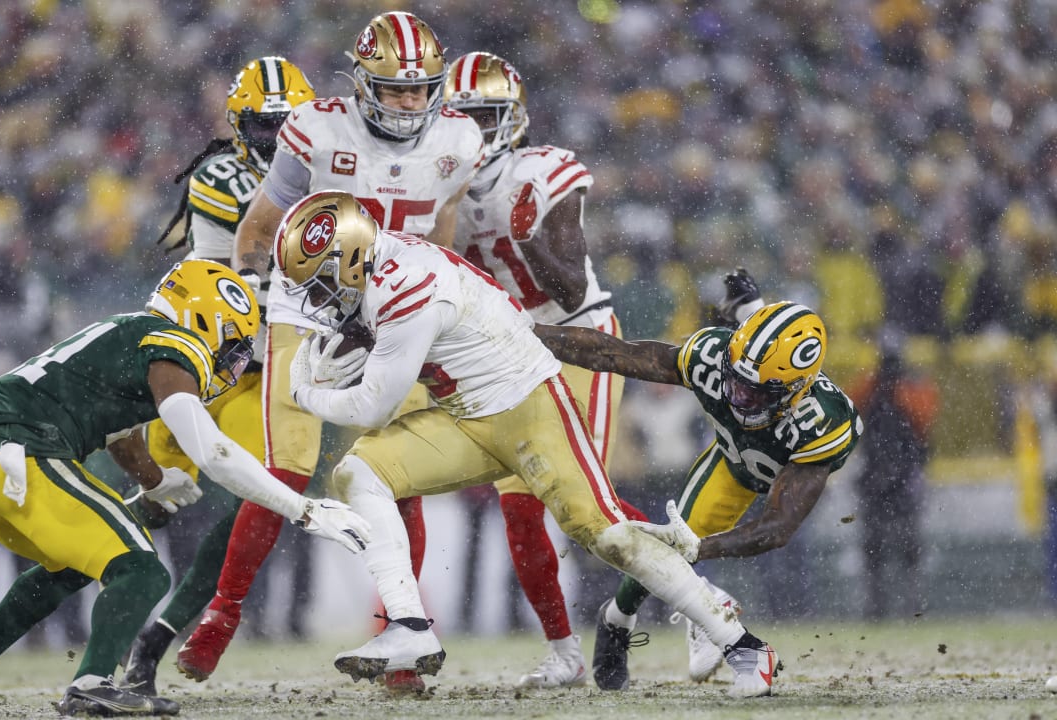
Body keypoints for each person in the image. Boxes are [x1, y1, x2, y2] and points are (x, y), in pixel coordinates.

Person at [275, 189, 780, 699]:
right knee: (360, 472)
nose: (318, 300)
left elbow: (373, 408)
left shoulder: (404, 287)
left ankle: (743, 646)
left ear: (353, 258)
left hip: (529, 406)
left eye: (320, 284)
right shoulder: (381, 267)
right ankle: (408, 626)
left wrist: (305, 393)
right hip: (466, 415)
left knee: (607, 536)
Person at [177, 11, 483, 694]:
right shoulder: (317, 129)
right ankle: (222, 617)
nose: (409, 102)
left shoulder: (460, 139)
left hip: (396, 315)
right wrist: (277, 289)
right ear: (363, 82)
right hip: (309, 312)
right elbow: (256, 234)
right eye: (394, 89)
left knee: (396, 478)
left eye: (419, 89)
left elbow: (446, 243)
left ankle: (399, 637)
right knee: (285, 468)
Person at [0, 260, 370, 716]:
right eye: (232, 343)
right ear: (206, 318)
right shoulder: (175, 343)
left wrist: (153, 480)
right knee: (142, 570)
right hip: (25, 452)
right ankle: (92, 683)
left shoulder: (129, 333)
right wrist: (304, 509)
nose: (232, 361)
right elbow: (214, 454)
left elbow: (121, 430)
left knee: (72, 566)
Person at [531, 272, 861, 692]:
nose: (737, 397)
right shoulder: (717, 356)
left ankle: (667, 615)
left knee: (680, 551)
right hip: (731, 460)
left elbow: (777, 529)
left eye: (755, 393)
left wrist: (702, 550)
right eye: (734, 381)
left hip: (777, 471)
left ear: (796, 391)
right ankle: (617, 620)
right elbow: (614, 354)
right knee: (666, 552)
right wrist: (533, 333)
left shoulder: (822, 422)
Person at [441, 50, 643, 686]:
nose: (476, 127)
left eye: (487, 114)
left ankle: (704, 606)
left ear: (515, 118)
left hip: (577, 339)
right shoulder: (436, 177)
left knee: (588, 508)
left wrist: (522, 234)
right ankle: (563, 653)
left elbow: (572, 289)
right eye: (464, 115)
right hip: (506, 354)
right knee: (522, 513)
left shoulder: (545, 171)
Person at [121, 55, 316, 697]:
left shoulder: (329, 171)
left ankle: (164, 631)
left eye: (288, 126)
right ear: (239, 125)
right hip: (212, 355)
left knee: (246, 499)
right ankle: (95, 607)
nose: (276, 139)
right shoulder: (222, 174)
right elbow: (230, 277)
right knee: (154, 495)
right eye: (265, 127)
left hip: (271, 366)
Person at [850, 329, 938, 619]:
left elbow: (924, 422)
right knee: (875, 545)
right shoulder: (874, 386)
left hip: (900, 476)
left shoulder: (906, 388)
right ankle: (879, 605)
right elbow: (850, 408)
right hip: (878, 475)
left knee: (907, 545)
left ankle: (910, 603)